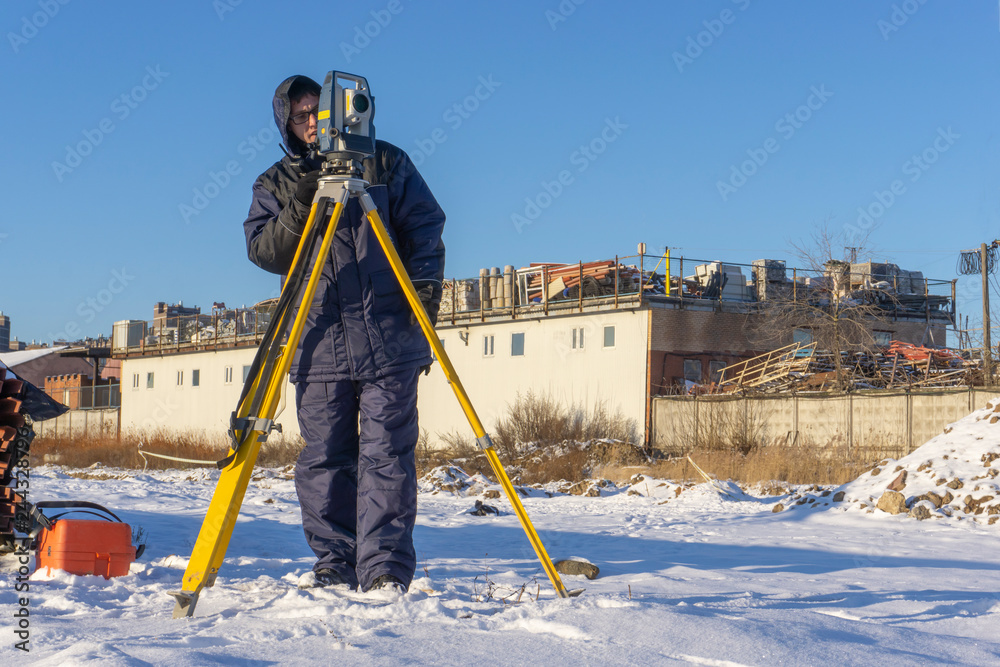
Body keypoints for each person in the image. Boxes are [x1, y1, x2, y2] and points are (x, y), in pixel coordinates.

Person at [242, 74, 445, 594]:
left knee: (387, 457)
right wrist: (303, 201)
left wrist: (422, 296)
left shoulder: (386, 162)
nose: (314, 123)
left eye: (320, 111)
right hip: (318, 344)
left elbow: (425, 225)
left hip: (389, 340)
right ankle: (335, 561)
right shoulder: (276, 184)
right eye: (301, 116)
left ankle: (384, 570)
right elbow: (265, 252)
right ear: (286, 124)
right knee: (324, 458)